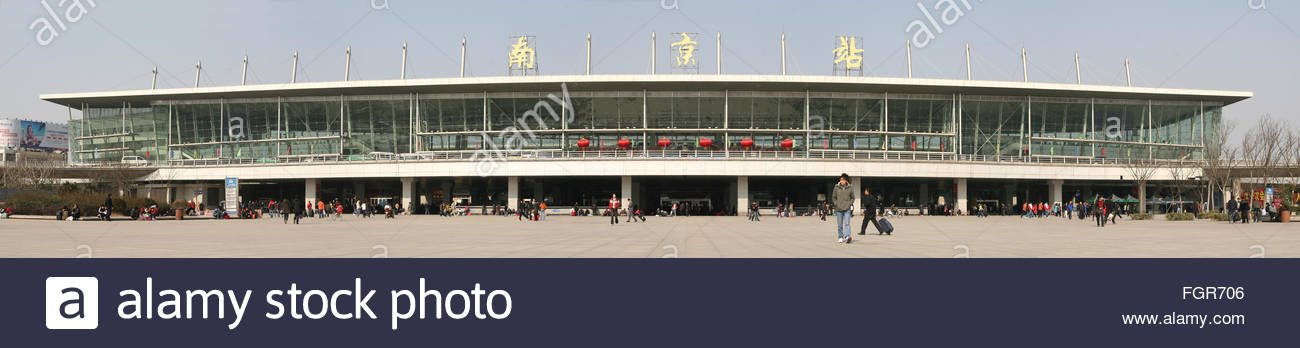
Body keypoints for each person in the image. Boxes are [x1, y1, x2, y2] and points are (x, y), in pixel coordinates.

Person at [832, 173, 855, 244]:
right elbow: (833, 197)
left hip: (847, 209)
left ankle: (847, 236)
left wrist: (850, 203)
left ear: (846, 181)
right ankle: (840, 237)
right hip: (839, 209)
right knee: (839, 224)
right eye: (841, 179)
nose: (841, 181)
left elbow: (853, 197)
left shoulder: (850, 187)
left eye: (843, 180)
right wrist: (836, 204)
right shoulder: (836, 187)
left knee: (847, 223)